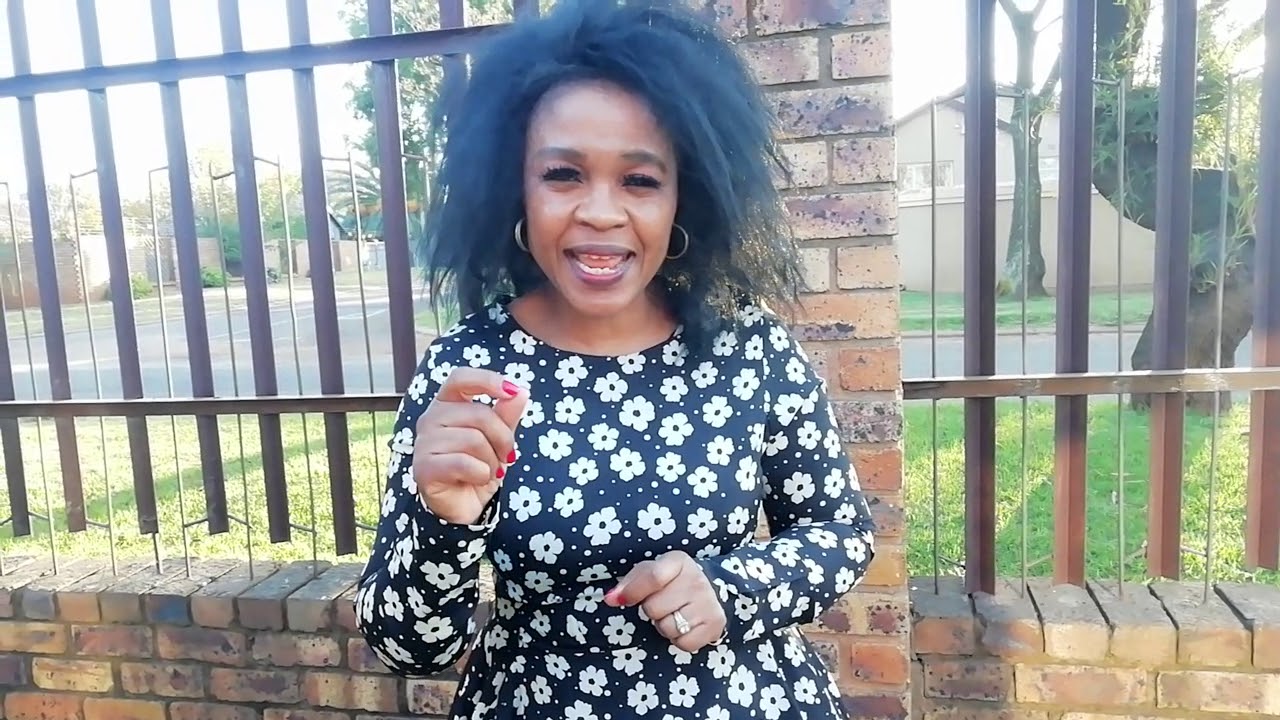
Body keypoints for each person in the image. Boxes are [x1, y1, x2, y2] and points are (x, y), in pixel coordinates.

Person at [354, 1, 877, 718]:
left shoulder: (747, 348)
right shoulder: (468, 370)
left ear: (683, 198)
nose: (601, 211)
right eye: (563, 174)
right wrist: (441, 523)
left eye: (640, 181)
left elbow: (839, 532)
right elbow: (410, 648)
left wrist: (734, 590)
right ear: (515, 189)